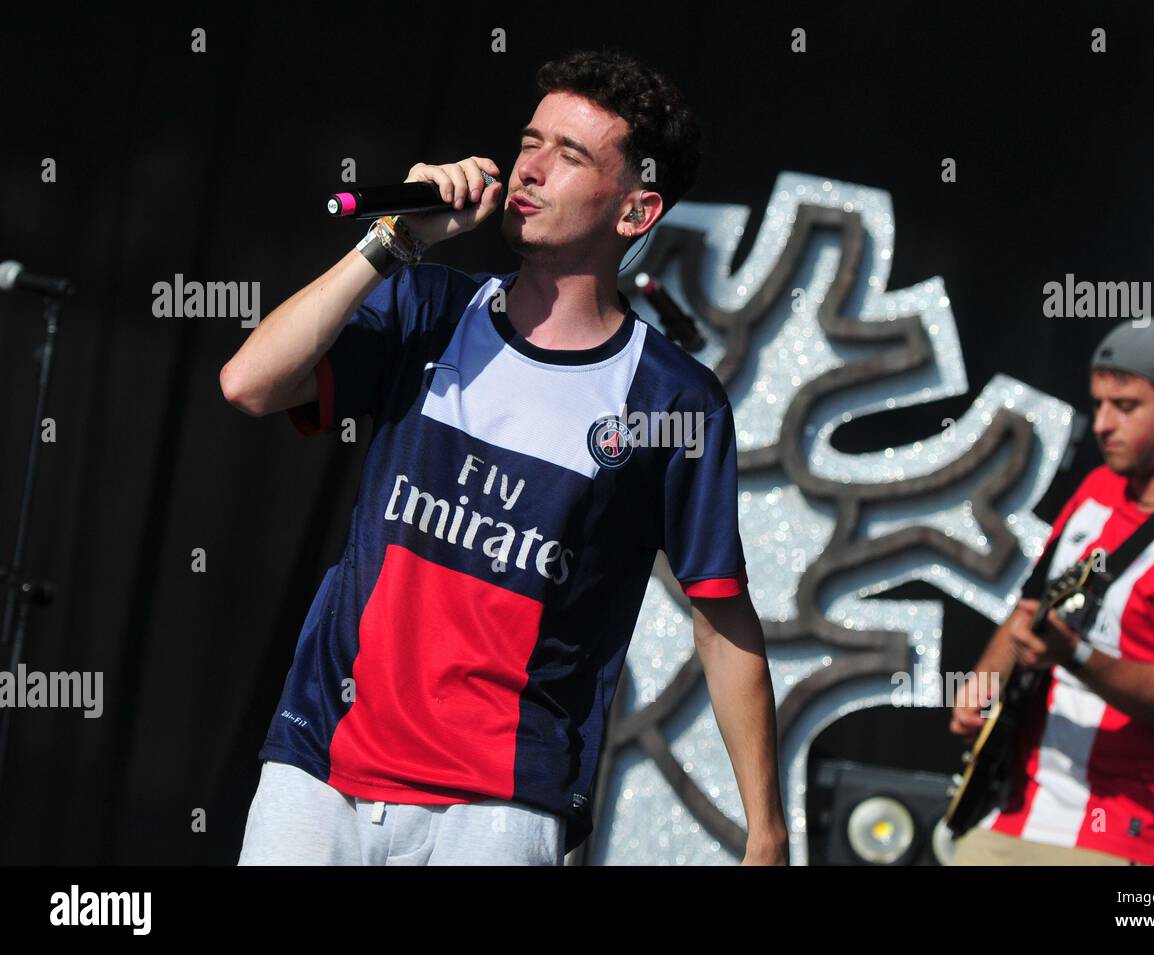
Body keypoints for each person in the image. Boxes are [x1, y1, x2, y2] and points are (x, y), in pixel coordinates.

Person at [220, 48, 788, 865]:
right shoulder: (427, 304)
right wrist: (392, 240)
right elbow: (249, 381)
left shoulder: (672, 400)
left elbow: (721, 614)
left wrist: (766, 830)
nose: (530, 167)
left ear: (635, 211)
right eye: (530, 141)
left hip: (500, 800)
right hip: (323, 763)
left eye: (570, 154)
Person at [947, 318, 1154, 866]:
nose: (1102, 424)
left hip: (1125, 834)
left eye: (1125, 406)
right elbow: (1031, 607)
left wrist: (1075, 654)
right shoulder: (1096, 490)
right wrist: (984, 679)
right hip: (1012, 812)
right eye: (1098, 405)